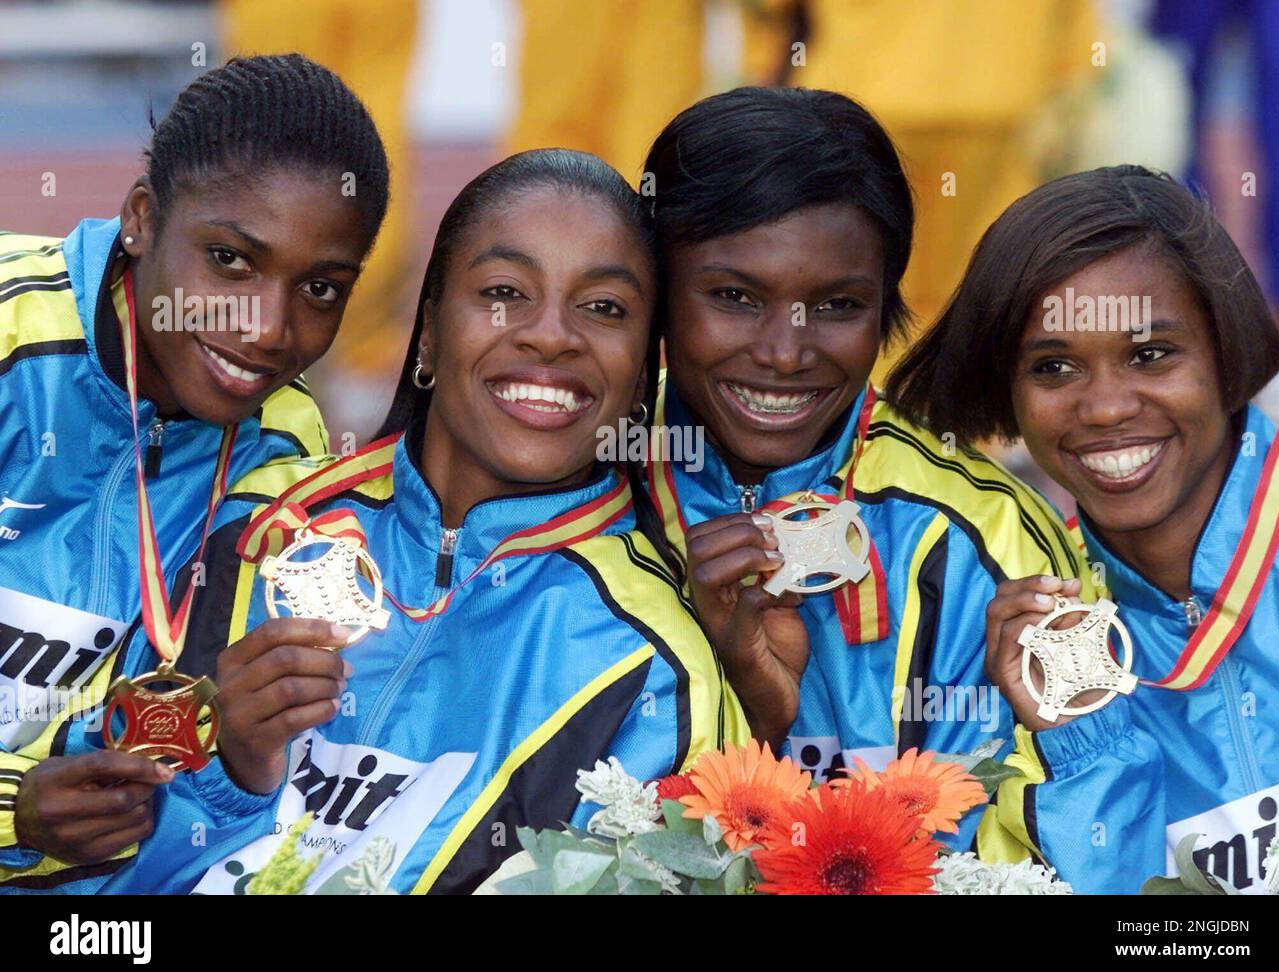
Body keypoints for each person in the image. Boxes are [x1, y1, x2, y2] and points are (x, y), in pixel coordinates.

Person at [75, 149, 743, 896]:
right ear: (427, 331)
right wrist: (232, 768)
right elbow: (86, 873)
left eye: (605, 308)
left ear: (642, 365)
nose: (552, 336)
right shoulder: (250, 525)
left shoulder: (652, 667)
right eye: (503, 292)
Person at [640, 87, 1085, 848]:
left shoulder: (981, 537)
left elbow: (1048, 841)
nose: (784, 353)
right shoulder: (579, 486)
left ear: (886, 307)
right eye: (734, 297)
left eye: (839, 306)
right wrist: (738, 698)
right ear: (655, 291)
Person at [0, 53, 390, 891]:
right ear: (142, 218)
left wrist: (242, 761)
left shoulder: (286, 455)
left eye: (320, 288)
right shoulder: (11, 337)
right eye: (231, 262)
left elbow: (204, 795)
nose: (267, 330)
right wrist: (12, 815)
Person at [889, 164, 1279, 893]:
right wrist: (1076, 735)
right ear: (1007, 397)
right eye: (1054, 367)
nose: (1104, 408)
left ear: (1226, 351)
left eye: (1150, 355)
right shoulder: (1014, 642)